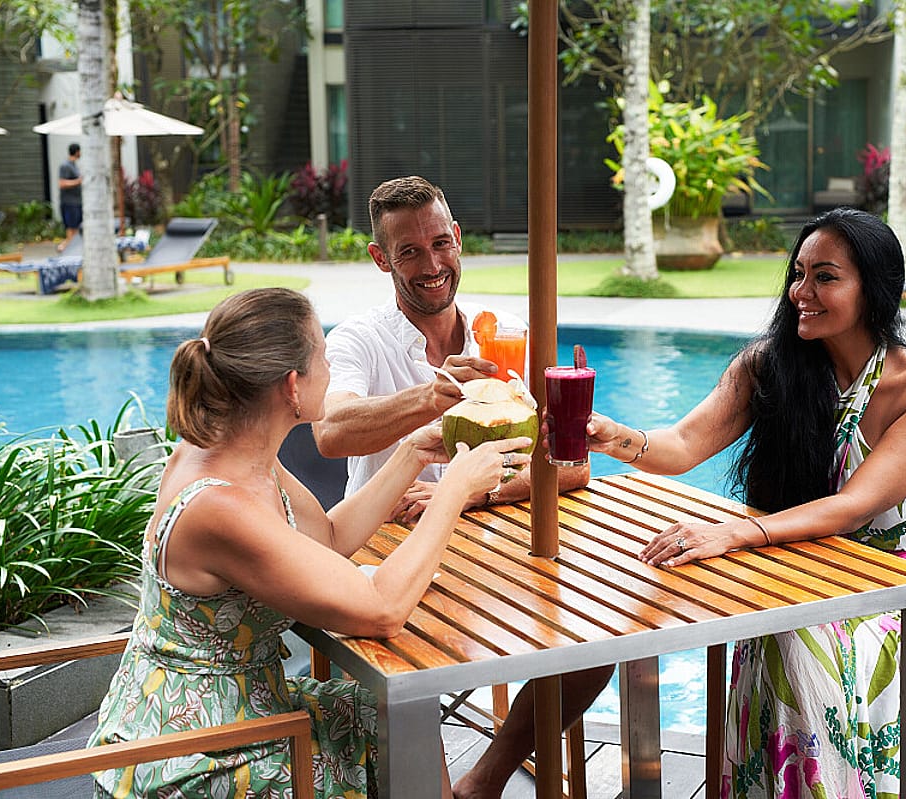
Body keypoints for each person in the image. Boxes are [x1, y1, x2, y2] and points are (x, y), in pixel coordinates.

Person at [89, 287, 531, 799]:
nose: (332, 369)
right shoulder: (217, 506)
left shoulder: (241, 446)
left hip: (244, 706)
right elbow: (382, 610)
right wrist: (454, 488)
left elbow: (328, 537)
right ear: (293, 386)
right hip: (193, 753)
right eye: (324, 355)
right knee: (397, 723)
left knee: (399, 711)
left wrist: (412, 451)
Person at [581, 208, 906, 798]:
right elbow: (682, 444)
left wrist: (731, 534)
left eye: (826, 277)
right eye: (799, 272)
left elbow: (852, 508)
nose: (801, 292)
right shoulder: (769, 364)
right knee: (775, 626)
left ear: (876, 290)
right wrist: (618, 439)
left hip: (896, 585)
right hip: (791, 571)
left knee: (795, 640)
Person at [313, 175, 610, 799]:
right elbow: (331, 431)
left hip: (492, 555)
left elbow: (573, 463)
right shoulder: (359, 341)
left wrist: (478, 492)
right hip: (390, 554)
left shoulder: (505, 335)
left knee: (595, 645)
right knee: (405, 665)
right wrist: (427, 397)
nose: (431, 264)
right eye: (409, 252)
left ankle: (483, 780)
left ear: (458, 242)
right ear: (380, 260)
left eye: (440, 243)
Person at [57, 143, 83, 252]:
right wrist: (78, 181)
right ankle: (63, 248)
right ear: (77, 152)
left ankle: (68, 248)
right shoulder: (65, 166)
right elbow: (61, 183)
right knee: (71, 228)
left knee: (76, 229)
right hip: (69, 203)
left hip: (76, 202)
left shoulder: (73, 165)